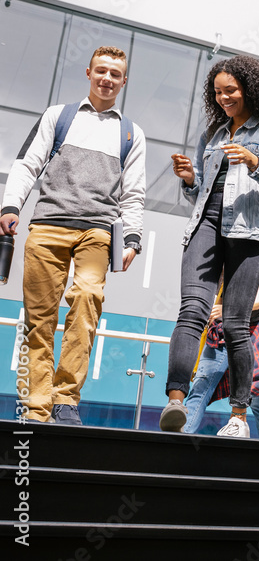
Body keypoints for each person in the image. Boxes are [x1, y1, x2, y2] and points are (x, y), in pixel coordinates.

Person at [1, 45, 146, 424]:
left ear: (124, 81)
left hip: (97, 231)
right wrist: (11, 205)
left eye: (115, 74)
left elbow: (133, 194)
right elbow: (27, 163)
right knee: (40, 320)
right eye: (101, 71)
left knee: (86, 300)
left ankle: (65, 398)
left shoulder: (131, 133)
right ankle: (37, 407)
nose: (107, 79)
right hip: (47, 226)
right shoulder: (58, 116)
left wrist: (132, 238)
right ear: (88, 72)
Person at [160, 55, 259, 438]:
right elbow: (200, 192)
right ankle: (175, 400)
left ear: (249, 89)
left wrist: (254, 162)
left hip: (250, 233)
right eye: (217, 93)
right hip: (206, 225)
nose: (223, 98)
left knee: (236, 324)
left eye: (230, 91)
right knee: (192, 312)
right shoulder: (214, 135)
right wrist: (189, 179)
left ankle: (238, 416)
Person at [184, 246, 259, 439]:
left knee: (255, 395)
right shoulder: (227, 256)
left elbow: (257, 301)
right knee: (200, 387)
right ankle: (179, 440)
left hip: (250, 332)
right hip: (220, 333)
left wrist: (225, 311)